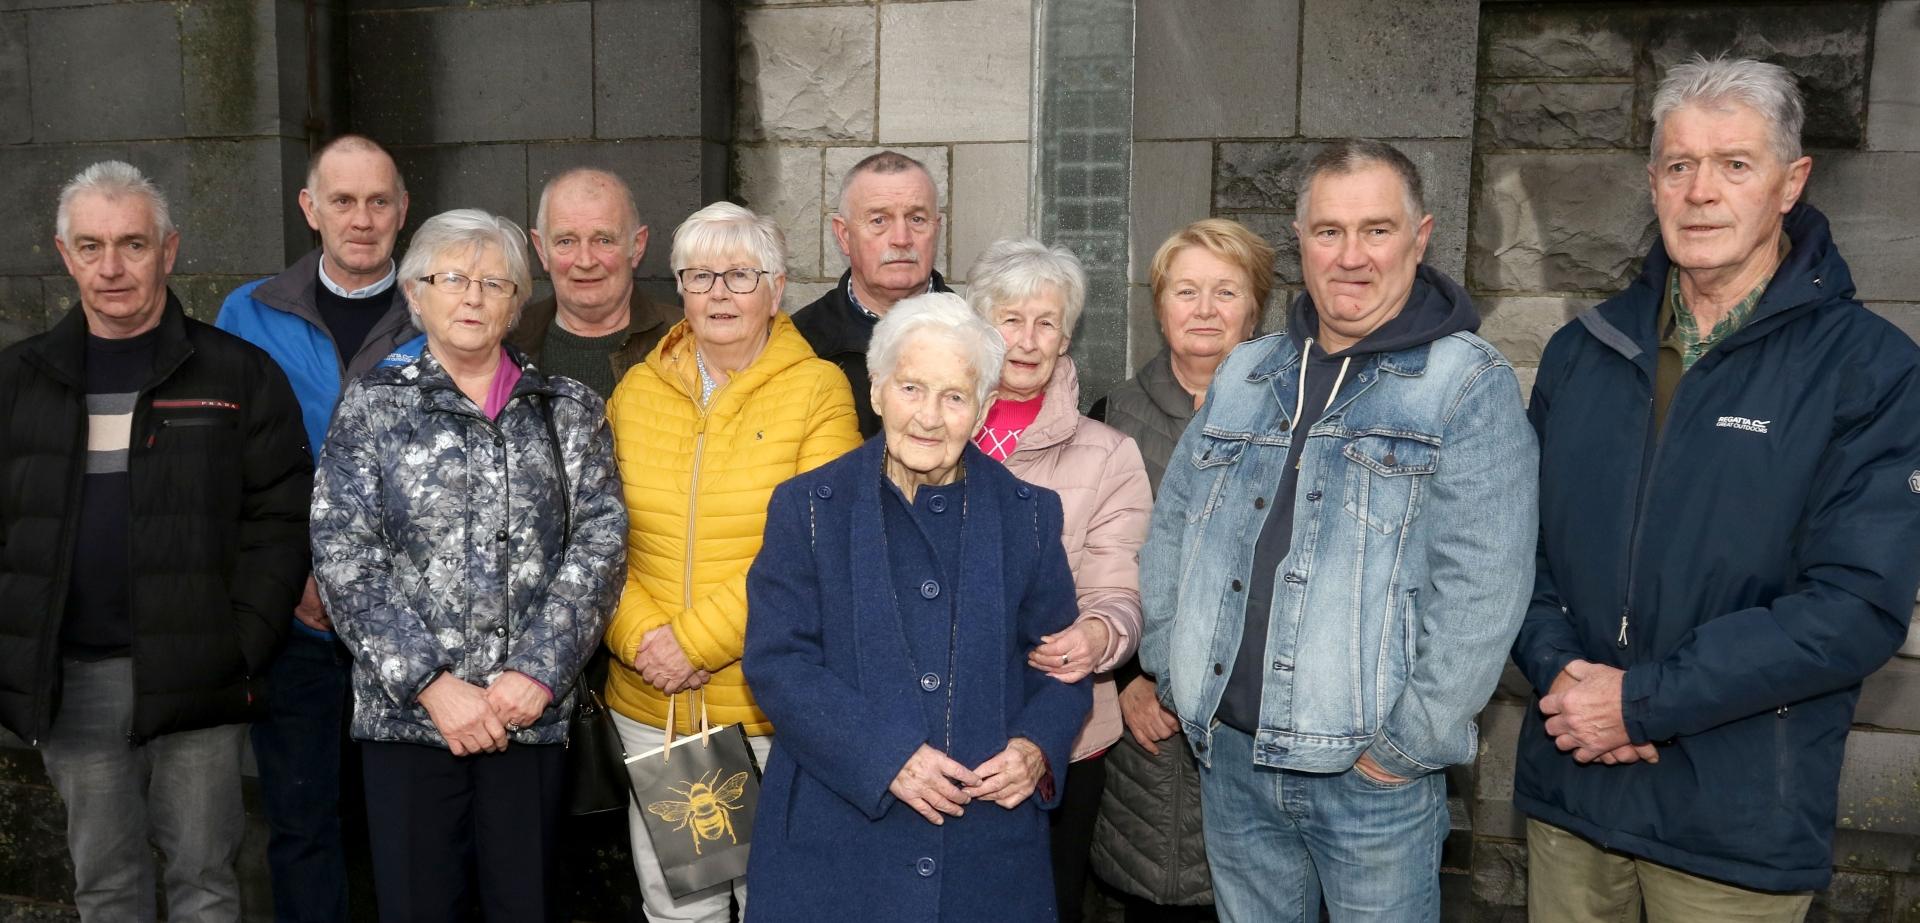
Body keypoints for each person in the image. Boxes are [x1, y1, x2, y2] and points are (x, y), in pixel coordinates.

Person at [1512, 55, 1920, 922]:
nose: (1702, 191)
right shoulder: (1582, 353)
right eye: (1679, 165)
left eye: (1735, 164)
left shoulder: (1872, 370)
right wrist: (1564, 677)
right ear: (1653, 183)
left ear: (1790, 183)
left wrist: (1641, 703)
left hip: (1733, 829)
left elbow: (1854, 605)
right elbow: (1512, 552)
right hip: (1570, 798)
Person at [1139, 140, 1538, 922]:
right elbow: (1173, 530)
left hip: (1370, 785)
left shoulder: (1465, 385)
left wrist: (1403, 750)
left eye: (1376, 230)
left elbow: (1485, 588)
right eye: (1329, 231)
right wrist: (1169, 663)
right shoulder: (1247, 373)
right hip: (1232, 764)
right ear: (1300, 240)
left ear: (1420, 238)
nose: (1350, 256)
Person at [0, 161, 313, 922]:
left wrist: (240, 642)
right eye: (91, 245)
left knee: (206, 886)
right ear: (63, 252)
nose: (112, 267)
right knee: (105, 888)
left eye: (133, 244)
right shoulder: (17, 383)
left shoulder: (238, 373)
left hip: (199, 677)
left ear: (169, 250)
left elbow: (284, 515)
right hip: (72, 683)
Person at [310, 208, 628, 922]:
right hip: (411, 724)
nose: (474, 296)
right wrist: (432, 685)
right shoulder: (372, 409)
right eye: (451, 278)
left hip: (528, 720)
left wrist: (538, 673)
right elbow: (343, 553)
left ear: (518, 302)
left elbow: (602, 544)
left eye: (494, 281)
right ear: (415, 294)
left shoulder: (567, 410)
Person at [742, 292, 1094, 921]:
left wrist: (1037, 748)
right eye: (911, 388)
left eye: (954, 397)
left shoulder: (1030, 517)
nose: (929, 417)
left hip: (985, 858)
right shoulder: (808, 509)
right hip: (836, 851)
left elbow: (1062, 672)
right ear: (876, 390)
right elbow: (778, 664)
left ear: (983, 408)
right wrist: (884, 758)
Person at [602, 201, 860, 922]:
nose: (719, 292)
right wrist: (643, 639)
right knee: (680, 904)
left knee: (778, 901)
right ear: (678, 287)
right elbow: (597, 536)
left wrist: (695, 642)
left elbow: (816, 545)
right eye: (700, 274)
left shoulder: (817, 390)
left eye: (740, 274)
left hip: (765, 700)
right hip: (661, 706)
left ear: (776, 289)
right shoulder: (636, 390)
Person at [214, 133, 422, 923]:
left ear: (404, 211)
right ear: (310, 209)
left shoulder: (442, 304)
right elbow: (236, 473)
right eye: (342, 200)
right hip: (294, 625)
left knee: (408, 829)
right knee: (302, 826)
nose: (361, 219)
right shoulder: (251, 312)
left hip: (413, 630)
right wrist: (293, 583)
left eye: (378, 200)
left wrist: (372, 592)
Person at [1089, 218, 1276, 920]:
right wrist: (1122, 682)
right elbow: (1078, 570)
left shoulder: (1298, 414)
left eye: (1225, 291)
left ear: (1255, 308)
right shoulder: (1111, 417)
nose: (1204, 309)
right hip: (1139, 741)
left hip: (1250, 737)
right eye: (1186, 290)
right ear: (1159, 304)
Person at [963, 238, 1152, 921]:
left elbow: (1117, 584)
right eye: (1010, 318)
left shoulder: (1109, 454)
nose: (1028, 338)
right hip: (940, 728)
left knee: (1044, 903)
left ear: (1066, 335)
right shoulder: (930, 431)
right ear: (979, 325)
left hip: (1063, 729)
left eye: (1046, 321)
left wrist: (1100, 633)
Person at [792, 150, 953, 437]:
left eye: (916, 219)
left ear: (936, 229)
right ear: (843, 235)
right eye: (879, 220)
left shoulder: (979, 336)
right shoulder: (800, 345)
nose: (901, 239)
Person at [513, 167, 680, 398]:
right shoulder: (506, 344)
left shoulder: (686, 339)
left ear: (637, 245)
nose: (585, 260)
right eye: (566, 241)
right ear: (542, 250)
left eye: (603, 240)